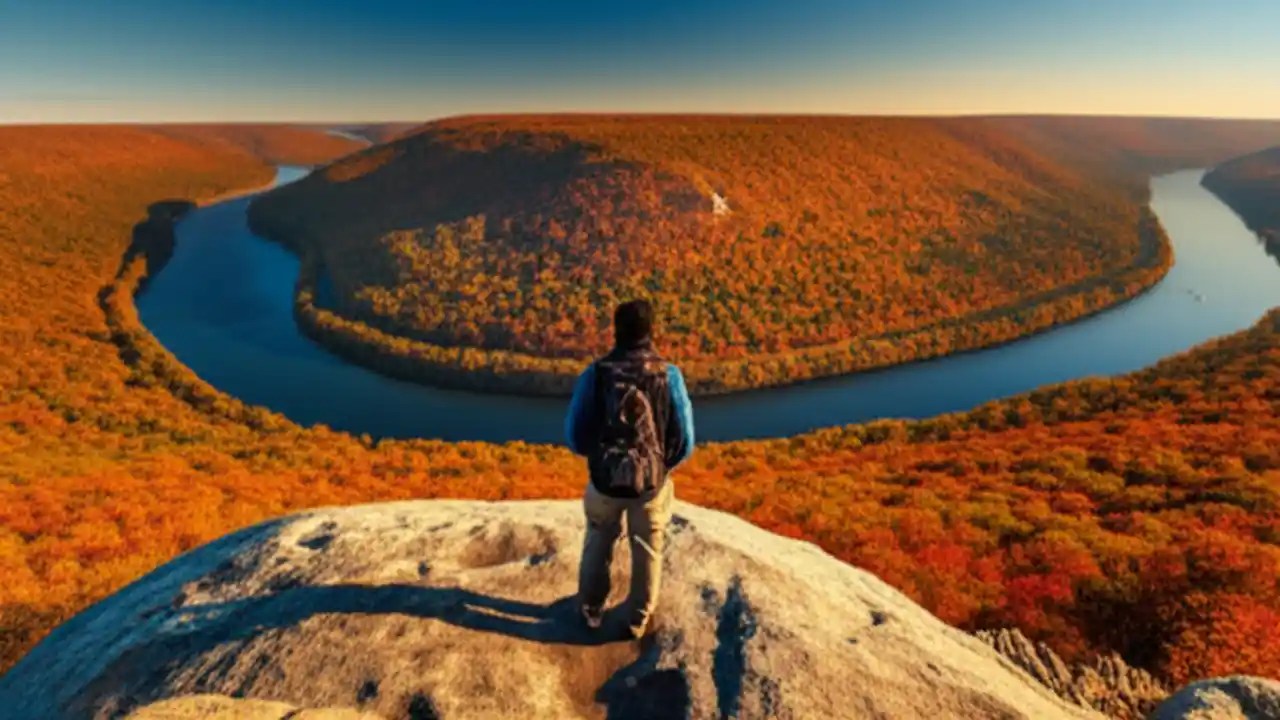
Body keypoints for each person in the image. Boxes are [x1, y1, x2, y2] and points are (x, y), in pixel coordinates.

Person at [565, 299, 695, 639]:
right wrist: (663, 468)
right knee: (648, 546)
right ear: (651, 330)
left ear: (616, 330)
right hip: (651, 484)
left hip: (605, 481)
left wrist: (597, 461)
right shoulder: (670, 376)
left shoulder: (595, 374)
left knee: (598, 539)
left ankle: (591, 609)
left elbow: (575, 435)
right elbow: (686, 439)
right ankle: (637, 619)